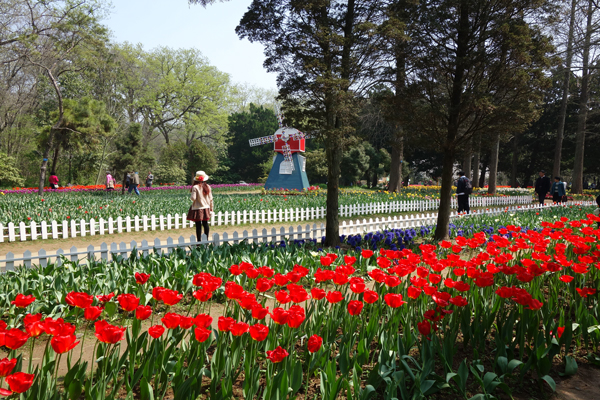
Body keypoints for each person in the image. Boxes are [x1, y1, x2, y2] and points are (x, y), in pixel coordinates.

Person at [186, 171, 213, 242]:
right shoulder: (208, 187)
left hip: (198, 208)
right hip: (206, 207)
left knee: (198, 225)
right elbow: (211, 199)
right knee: (205, 223)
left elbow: (193, 198)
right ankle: (206, 239)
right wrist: (211, 208)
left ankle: (199, 241)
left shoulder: (195, 187)